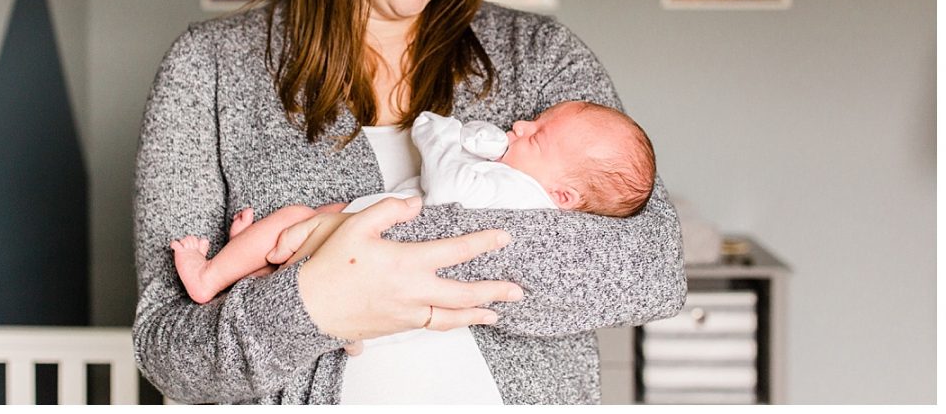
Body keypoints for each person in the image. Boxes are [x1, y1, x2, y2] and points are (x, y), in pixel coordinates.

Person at [133, 0, 685, 405]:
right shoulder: (210, 69)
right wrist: (313, 304)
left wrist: (361, 258)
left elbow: (649, 271)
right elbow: (169, 353)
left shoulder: (541, 57)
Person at [169, 101, 656, 307]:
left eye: (539, 134)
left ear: (563, 196)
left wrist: (441, 135)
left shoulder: (519, 195)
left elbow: (446, 186)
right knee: (301, 231)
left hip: (367, 243)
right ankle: (252, 263)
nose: (522, 126)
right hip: (369, 238)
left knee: (297, 219)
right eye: (533, 119)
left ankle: (209, 276)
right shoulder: (526, 187)